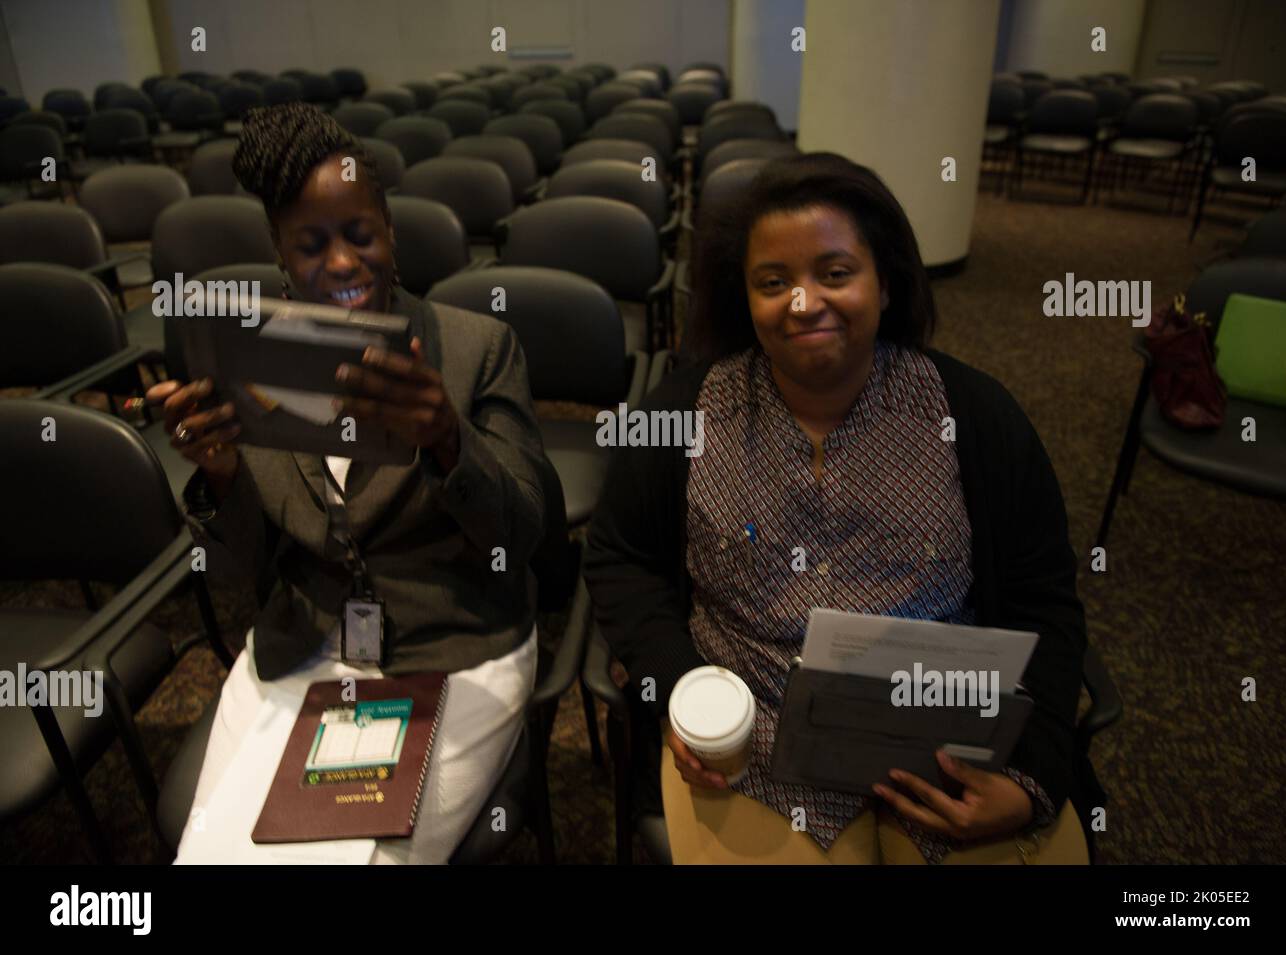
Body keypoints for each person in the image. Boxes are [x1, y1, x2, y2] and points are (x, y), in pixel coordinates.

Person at [584, 152, 1091, 864]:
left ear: (886, 282)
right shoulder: (684, 413)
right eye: (773, 281)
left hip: (945, 740)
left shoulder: (974, 415)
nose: (803, 301)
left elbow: (1045, 600)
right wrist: (682, 690)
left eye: (834, 272)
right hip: (753, 741)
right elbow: (619, 556)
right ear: (744, 298)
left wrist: (1032, 773)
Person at [147, 104, 549, 863]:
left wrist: (447, 440)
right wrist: (225, 473)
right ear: (280, 253)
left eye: (360, 234)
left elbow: (527, 536)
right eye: (312, 244)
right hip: (309, 643)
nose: (341, 263)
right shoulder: (253, 361)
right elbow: (254, 570)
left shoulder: (476, 349)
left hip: (451, 646)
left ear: (390, 231)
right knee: (214, 853)